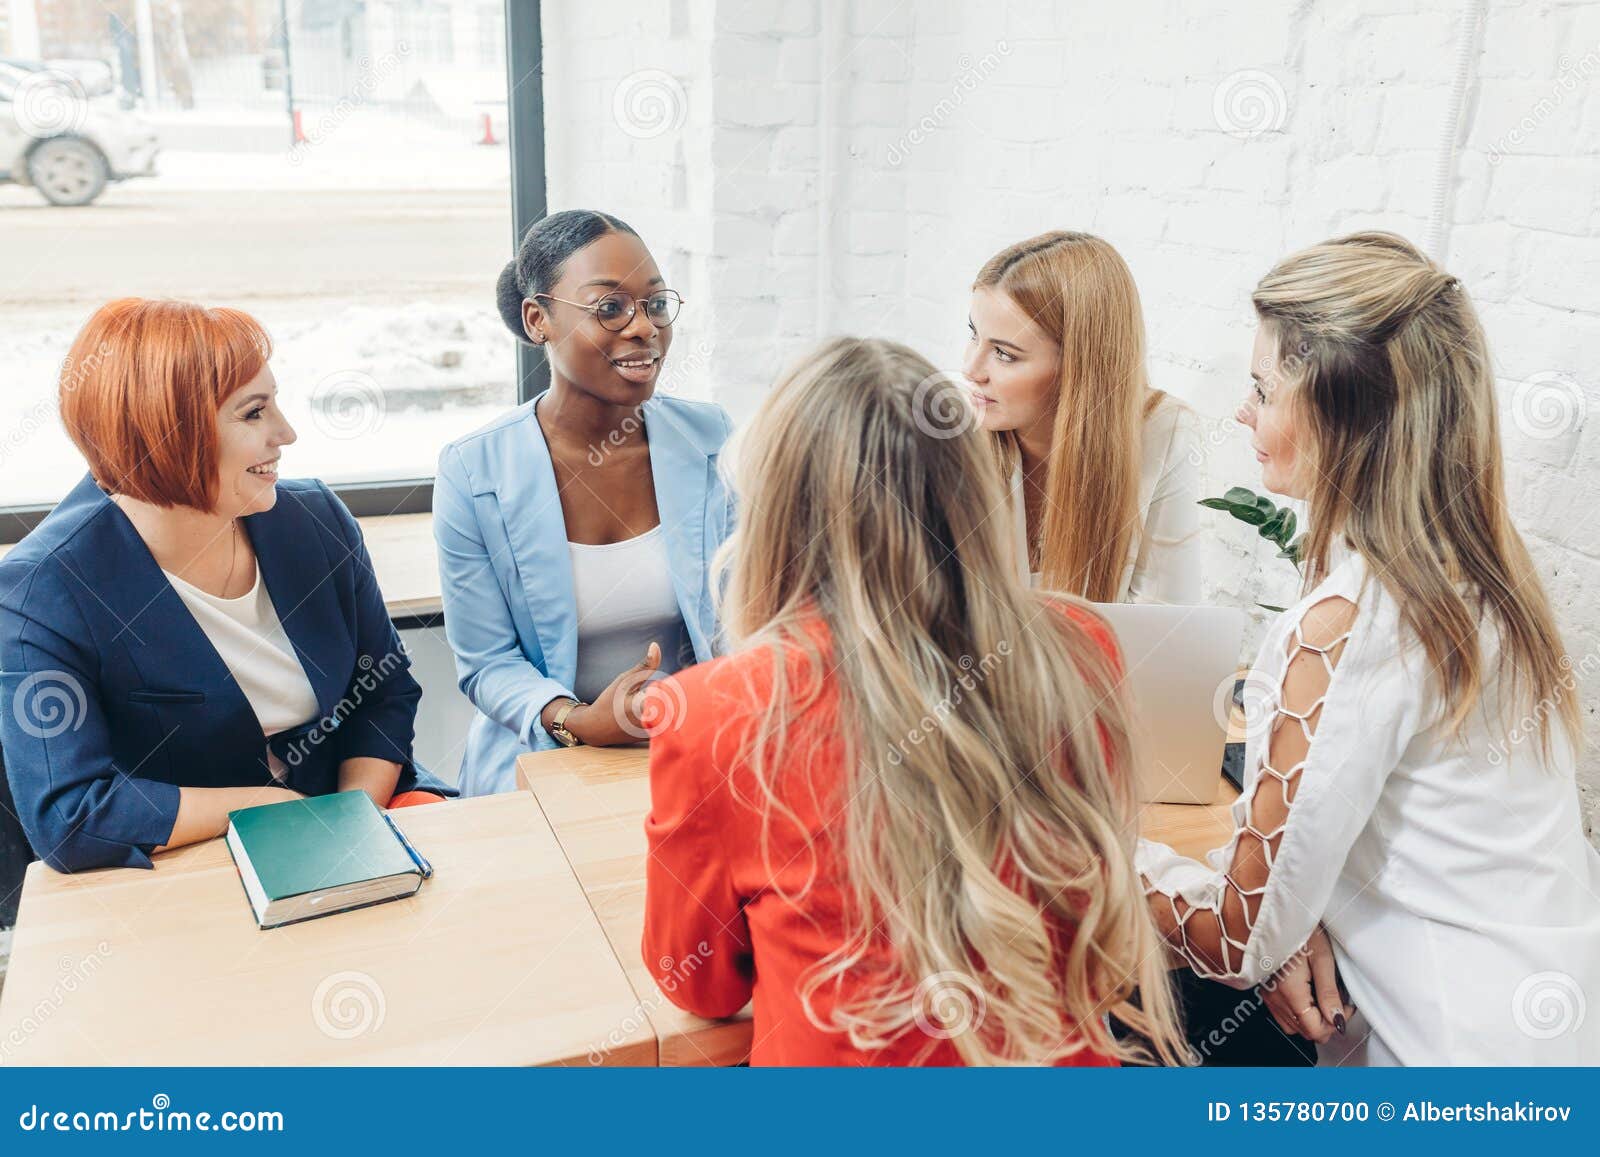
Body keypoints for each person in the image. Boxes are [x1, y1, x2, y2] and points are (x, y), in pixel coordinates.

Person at [641, 337, 1187, 1066]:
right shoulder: (1082, 646)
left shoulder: (710, 712)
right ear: (965, 490)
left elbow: (702, 983)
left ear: (775, 508)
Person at [1138, 232, 1600, 1065]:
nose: (1243, 411)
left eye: (1261, 387)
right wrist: (1294, 906)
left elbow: (1237, 942)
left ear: (1340, 414)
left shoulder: (1346, 623)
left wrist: (1104, 859)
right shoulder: (1485, 577)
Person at [0, 298, 450, 874]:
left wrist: (350, 816)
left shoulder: (313, 521)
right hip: (189, 867)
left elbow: (383, 691)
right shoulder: (43, 589)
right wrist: (272, 809)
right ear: (167, 434)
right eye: (254, 413)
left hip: (360, 820)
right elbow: (71, 816)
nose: (285, 433)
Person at [434, 210, 734, 796]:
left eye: (655, 305)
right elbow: (487, 661)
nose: (644, 327)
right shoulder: (474, 470)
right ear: (537, 319)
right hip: (544, 761)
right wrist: (575, 721)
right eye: (610, 308)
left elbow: (750, 614)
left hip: (691, 750)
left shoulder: (711, 440)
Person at [964, 231, 1203, 601]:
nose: (971, 368)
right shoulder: (953, 431)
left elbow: (1167, 621)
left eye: (1004, 354)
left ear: (1078, 367)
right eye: (973, 335)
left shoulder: (1162, 432)